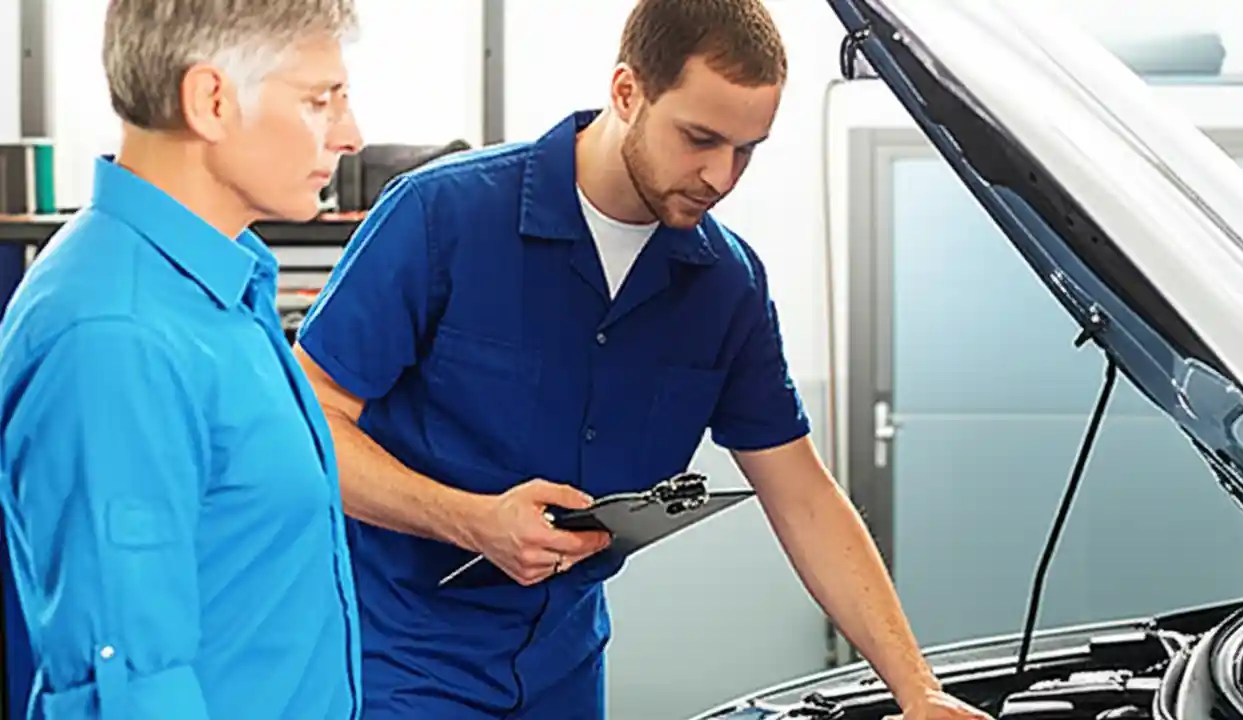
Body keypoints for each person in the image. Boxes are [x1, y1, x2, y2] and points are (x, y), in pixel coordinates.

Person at [294, 0, 991, 718]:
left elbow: (805, 497)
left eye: (747, 150)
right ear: (627, 92)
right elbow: (308, 427)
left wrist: (918, 691)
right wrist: (469, 519)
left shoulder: (728, 287)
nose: (721, 176)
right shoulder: (441, 218)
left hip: (563, 674)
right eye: (700, 138)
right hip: (395, 664)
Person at [0, 1, 365, 718]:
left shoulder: (220, 289)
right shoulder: (114, 334)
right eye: (321, 102)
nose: (351, 135)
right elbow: (132, 692)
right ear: (212, 101)